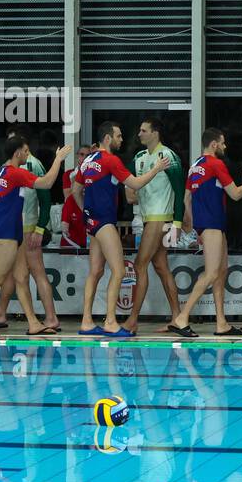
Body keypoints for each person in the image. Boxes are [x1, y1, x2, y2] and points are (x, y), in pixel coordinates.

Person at [71, 121, 170, 338]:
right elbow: (134, 184)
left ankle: (86, 321)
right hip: (105, 223)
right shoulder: (110, 159)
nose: (121, 140)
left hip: (92, 223)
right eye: (118, 136)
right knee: (119, 271)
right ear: (107, 138)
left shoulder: (88, 160)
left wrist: (86, 211)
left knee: (95, 272)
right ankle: (110, 321)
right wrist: (156, 168)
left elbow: (75, 190)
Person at [0, 138, 71, 337]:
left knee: (20, 277)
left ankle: (33, 322)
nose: (28, 154)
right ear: (17, 153)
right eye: (26, 151)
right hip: (8, 234)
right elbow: (46, 183)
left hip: (7, 232)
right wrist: (58, 159)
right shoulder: (15, 173)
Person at [168, 128, 242, 339]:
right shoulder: (216, 164)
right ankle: (182, 318)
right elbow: (235, 194)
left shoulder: (195, 165)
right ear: (215, 144)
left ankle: (221, 322)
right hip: (213, 224)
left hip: (208, 225)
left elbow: (186, 200)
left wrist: (196, 226)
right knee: (210, 273)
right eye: (223, 143)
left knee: (221, 271)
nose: (225, 147)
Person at [122, 119, 186, 336]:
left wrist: (177, 223)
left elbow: (179, 191)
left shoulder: (167, 156)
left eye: (143, 130)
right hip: (149, 216)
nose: (139, 134)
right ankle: (178, 317)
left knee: (140, 264)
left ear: (155, 133)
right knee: (161, 266)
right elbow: (129, 186)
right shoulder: (139, 158)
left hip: (161, 218)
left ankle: (132, 320)